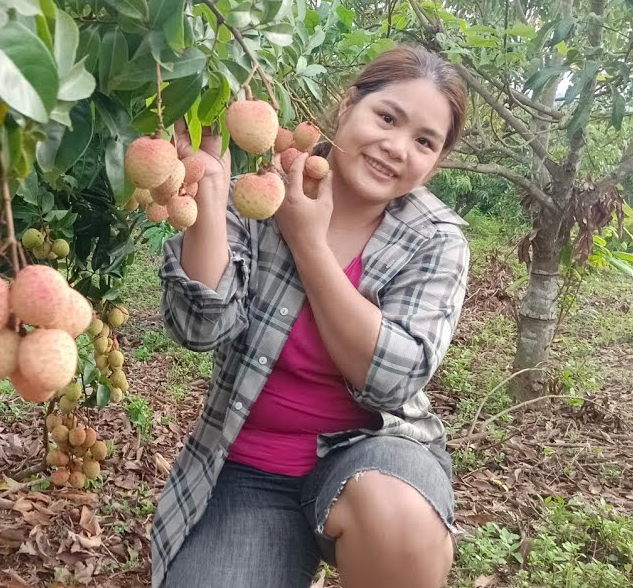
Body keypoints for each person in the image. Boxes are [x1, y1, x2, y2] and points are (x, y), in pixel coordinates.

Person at [152, 44, 471, 588]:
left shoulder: (435, 240)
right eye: (387, 118)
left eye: (424, 142)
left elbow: (391, 380)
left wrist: (309, 244)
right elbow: (199, 328)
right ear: (348, 105)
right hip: (251, 468)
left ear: (435, 162)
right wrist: (208, 194)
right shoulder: (259, 194)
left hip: (376, 457)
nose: (397, 148)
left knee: (395, 513)